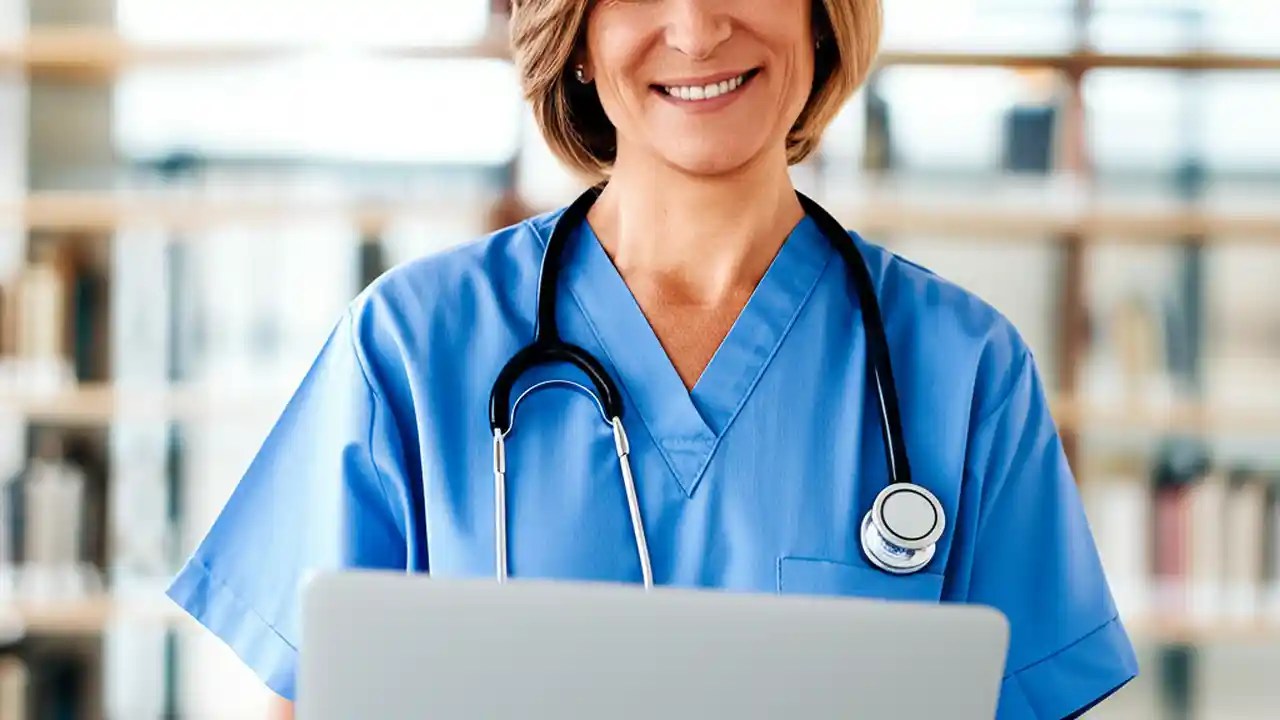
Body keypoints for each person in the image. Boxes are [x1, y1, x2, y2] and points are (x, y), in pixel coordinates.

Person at [168, 1, 1139, 717]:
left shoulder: (962, 373)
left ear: (819, 15)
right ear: (576, 37)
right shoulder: (411, 350)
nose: (694, 26)